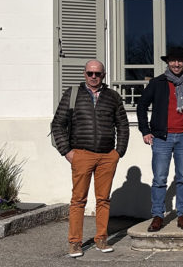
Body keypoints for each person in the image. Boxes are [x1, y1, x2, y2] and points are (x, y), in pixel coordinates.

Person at [51, 60, 129, 257]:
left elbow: (123, 125)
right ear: (84, 74)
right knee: (78, 200)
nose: (94, 77)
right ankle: (75, 242)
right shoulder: (72, 94)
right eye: (90, 73)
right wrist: (67, 152)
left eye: (98, 74)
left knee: (103, 200)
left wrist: (118, 152)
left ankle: (101, 239)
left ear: (103, 75)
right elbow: (57, 125)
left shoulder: (113, 96)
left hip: (106, 156)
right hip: (82, 154)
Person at [137, 47, 183, 232]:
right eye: (173, 60)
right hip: (162, 137)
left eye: (180, 61)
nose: (177, 64)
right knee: (160, 179)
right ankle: (158, 216)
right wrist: (145, 130)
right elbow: (142, 105)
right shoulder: (158, 83)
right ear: (168, 62)